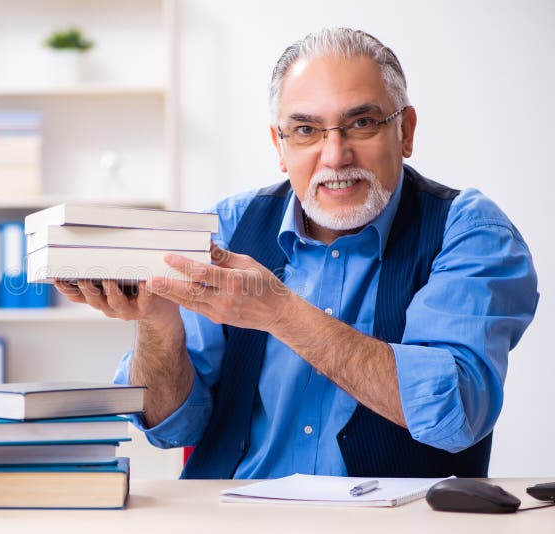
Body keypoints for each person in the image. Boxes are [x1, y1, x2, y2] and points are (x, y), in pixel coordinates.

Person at [54, 27, 538, 479]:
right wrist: (159, 325)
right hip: (230, 520)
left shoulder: (470, 231)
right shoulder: (225, 228)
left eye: (362, 123)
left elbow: (454, 413)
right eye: (306, 130)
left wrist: (279, 312)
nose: (335, 155)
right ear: (279, 146)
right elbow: (168, 427)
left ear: (406, 132)